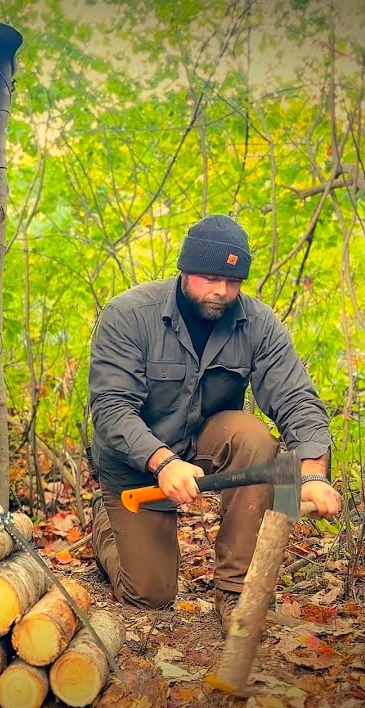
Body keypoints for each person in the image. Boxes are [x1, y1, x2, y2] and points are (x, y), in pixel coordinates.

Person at [87, 214, 342, 627]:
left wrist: (312, 473)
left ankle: (236, 593)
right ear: (184, 269)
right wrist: (163, 462)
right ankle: (106, 521)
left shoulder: (258, 323)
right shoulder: (129, 314)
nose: (222, 290)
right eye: (210, 278)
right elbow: (111, 408)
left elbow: (296, 398)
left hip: (204, 445)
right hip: (136, 463)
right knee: (150, 594)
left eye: (233, 281)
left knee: (256, 438)